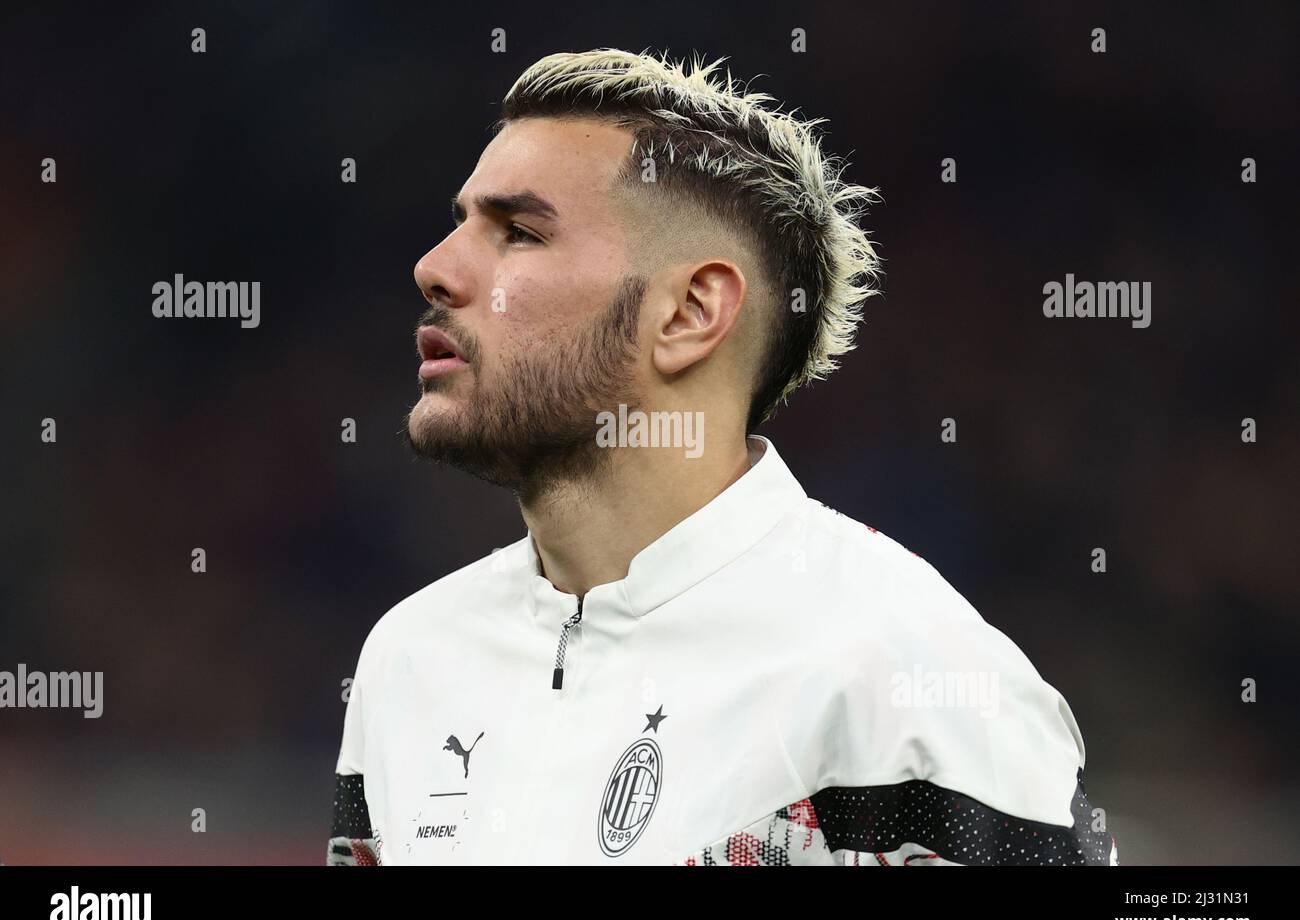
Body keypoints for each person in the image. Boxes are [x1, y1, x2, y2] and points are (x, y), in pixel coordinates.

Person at [328, 47, 1119, 865]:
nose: (436, 268)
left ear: (689, 313)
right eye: (460, 224)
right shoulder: (409, 660)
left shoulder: (901, 672)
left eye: (519, 233)